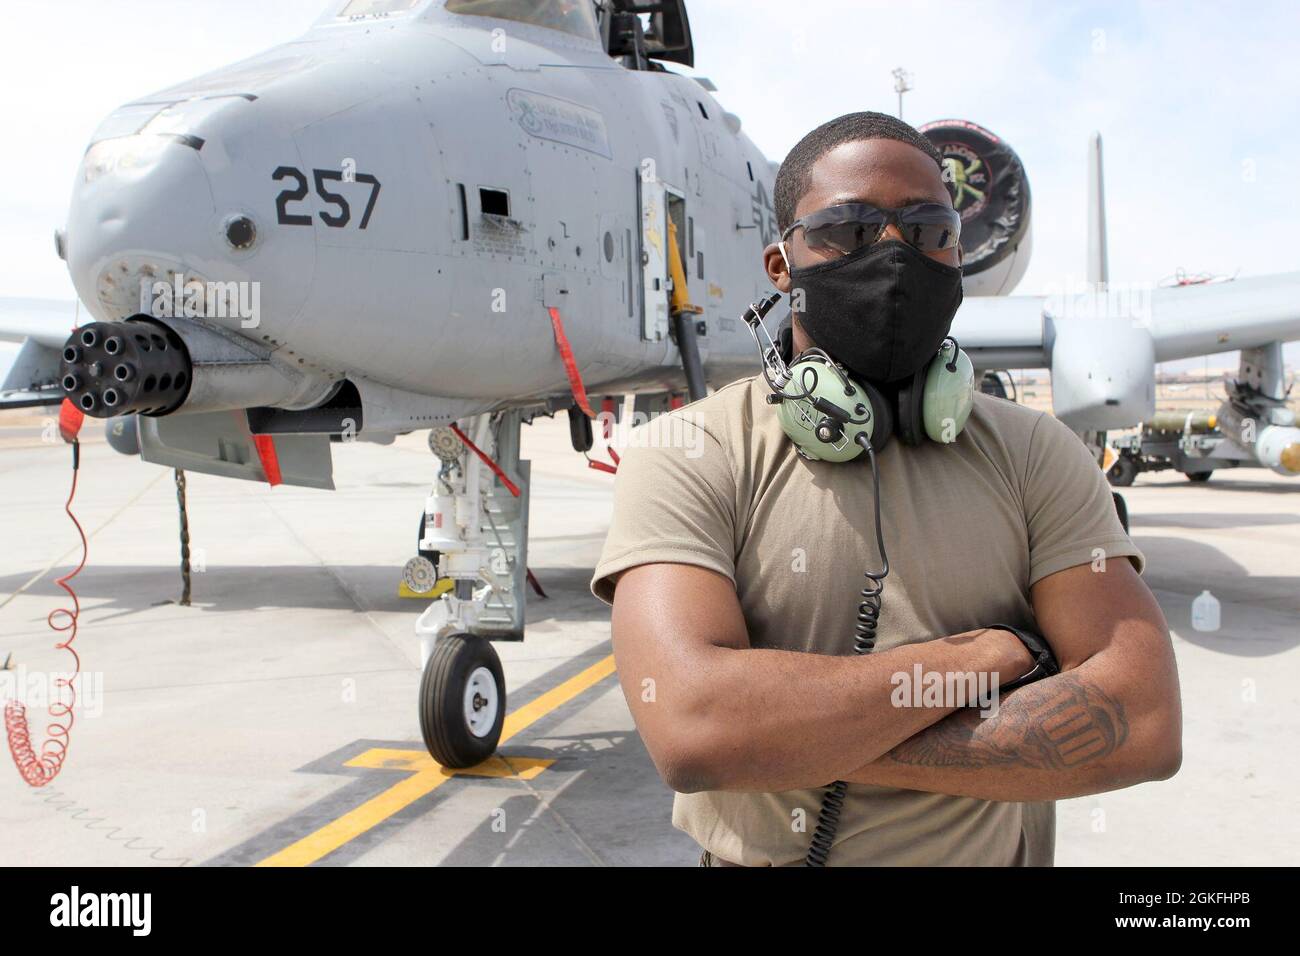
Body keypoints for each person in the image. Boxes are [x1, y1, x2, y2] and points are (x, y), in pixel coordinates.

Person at [589, 111, 1182, 867]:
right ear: (781, 265)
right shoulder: (691, 451)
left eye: (930, 230)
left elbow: (1144, 720)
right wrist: (980, 658)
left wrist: (789, 738)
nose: (896, 255)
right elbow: (695, 728)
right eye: (851, 230)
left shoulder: (1037, 452)